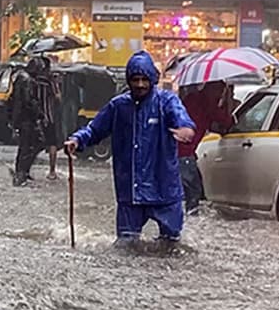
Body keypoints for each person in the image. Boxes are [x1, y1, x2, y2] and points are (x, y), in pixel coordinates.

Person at [65, 51, 196, 244]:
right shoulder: (118, 106)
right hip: (130, 193)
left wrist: (186, 129)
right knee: (126, 246)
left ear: (152, 79)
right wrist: (77, 140)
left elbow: (181, 118)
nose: (141, 84)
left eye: (145, 79)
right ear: (129, 80)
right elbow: (94, 129)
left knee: (171, 246)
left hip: (164, 191)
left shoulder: (166, 102)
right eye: (136, 79)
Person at [179, 81, 235, 213]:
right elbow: (226, 121)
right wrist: (228, 101)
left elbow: (210, 124)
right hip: (183, 154)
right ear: (211, 90)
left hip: (179, 153)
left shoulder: (191, 99)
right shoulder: (206, 104)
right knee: (194, 194)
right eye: (218, 92)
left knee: (191, 193)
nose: (219, 96)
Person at [9, 56, 55, 186]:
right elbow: (28, 101)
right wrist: (40, 114)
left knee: (26, 145)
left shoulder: (21, 77)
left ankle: (22, 172)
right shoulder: (27, 80)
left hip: (22, 118)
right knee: (33, 144)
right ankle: (21, 174)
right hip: (27, 119)